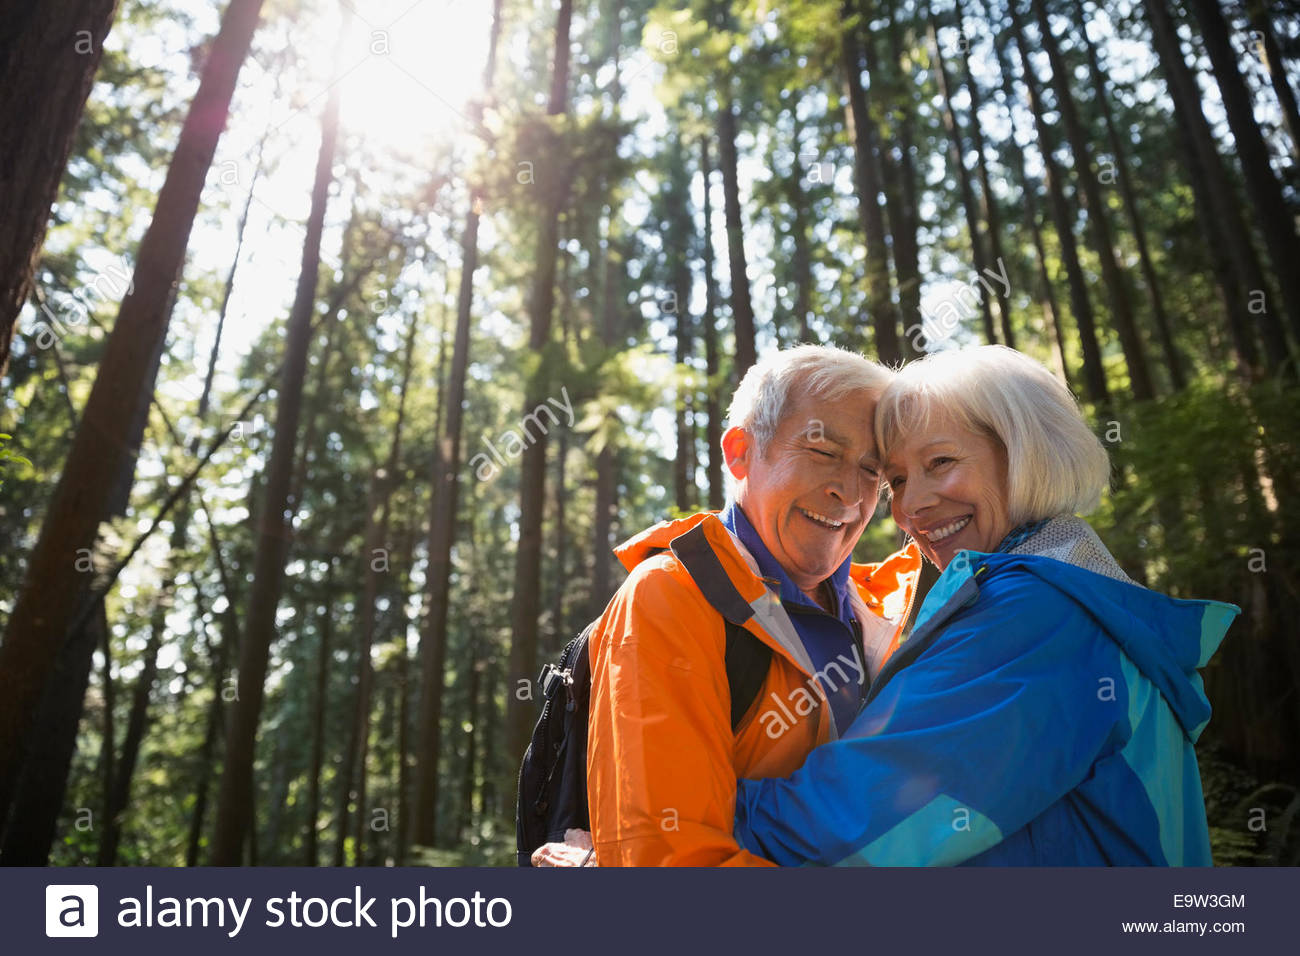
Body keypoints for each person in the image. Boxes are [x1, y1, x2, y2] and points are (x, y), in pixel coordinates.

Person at [732, 345, 1238, 866]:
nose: (910, 507)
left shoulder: (1037, 613)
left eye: (941, 462)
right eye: (899, 480)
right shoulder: (1074, 591)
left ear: (1025, 453)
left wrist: (677, 807)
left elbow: (857, 826)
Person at [533, 344, 921, 866]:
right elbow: (678, 861)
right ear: (740, 452)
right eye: (824, 453)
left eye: (873, 472)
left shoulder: (893, 608)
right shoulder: (670, 600)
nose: (851, 493)